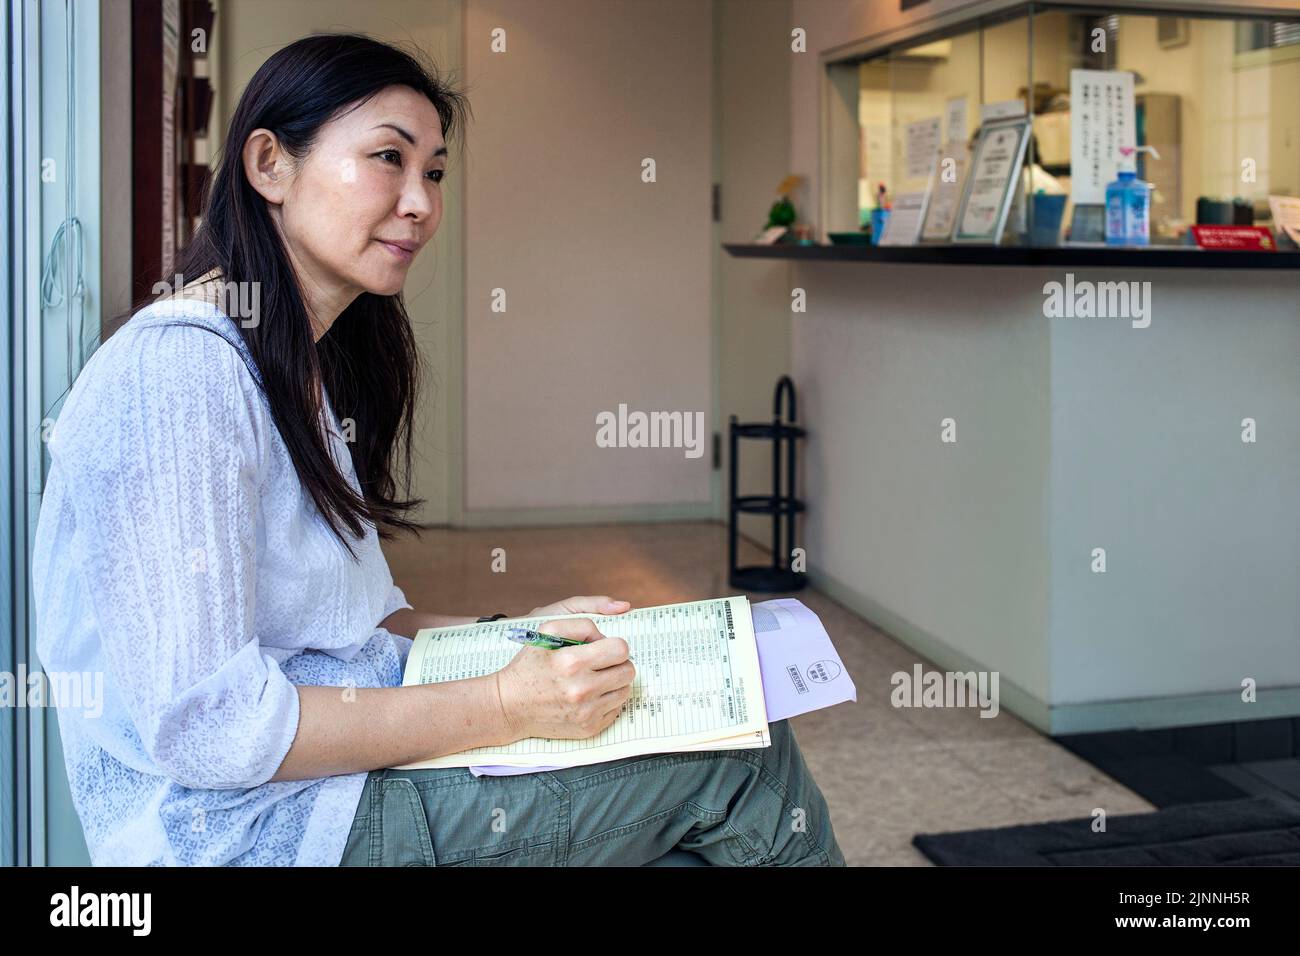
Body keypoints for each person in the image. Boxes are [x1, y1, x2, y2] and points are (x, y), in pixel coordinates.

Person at [32, 32, 844, 867]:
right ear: (269, 165)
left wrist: (519, 636)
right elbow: (211, 730)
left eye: (435, 172)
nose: (420, 202)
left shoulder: (287, 363)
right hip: (264, 831)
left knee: (696, 771)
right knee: (743, 769)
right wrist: (504, 703)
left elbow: (363, 627)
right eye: (389, 157)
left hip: (332, 781)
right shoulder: (181, 373)